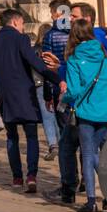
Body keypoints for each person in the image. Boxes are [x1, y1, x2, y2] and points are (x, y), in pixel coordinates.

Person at [42, 1, 107, 202]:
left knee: (73, 148)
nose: (69, 19)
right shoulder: (96, 43)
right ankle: (102, 193)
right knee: (94, 151)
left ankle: (75, 191)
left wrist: (63, 89)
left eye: (73, 16)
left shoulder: (89, 41)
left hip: (86, 106)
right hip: (105, 107)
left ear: (86, 20)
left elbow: (80, 79)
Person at [0, 8, 58, 193]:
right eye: (21, 24)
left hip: (6, 98)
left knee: (11, 137)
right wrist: (56, 78)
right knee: (31, 137)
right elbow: (34, 63)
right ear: (14, 22)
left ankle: (17, 177)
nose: (22, 28)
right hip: (25, 96)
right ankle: (31, 175)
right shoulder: (21, 40)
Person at [63, 19, 107, 212]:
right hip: (106, 114)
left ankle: (91, 201)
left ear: (74, 35)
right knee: (94, 154)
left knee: (89, 154)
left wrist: (63, 97)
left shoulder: (74, 59)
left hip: (85, 114)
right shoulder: (105, 59)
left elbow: (73, 91)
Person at [34, 22, 59, 160]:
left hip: (40, 84)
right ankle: (61, 141)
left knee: (47, 116)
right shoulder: (55, 47)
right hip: (55, 81)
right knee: (58, 113)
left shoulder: (35, 49)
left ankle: (53, 144)